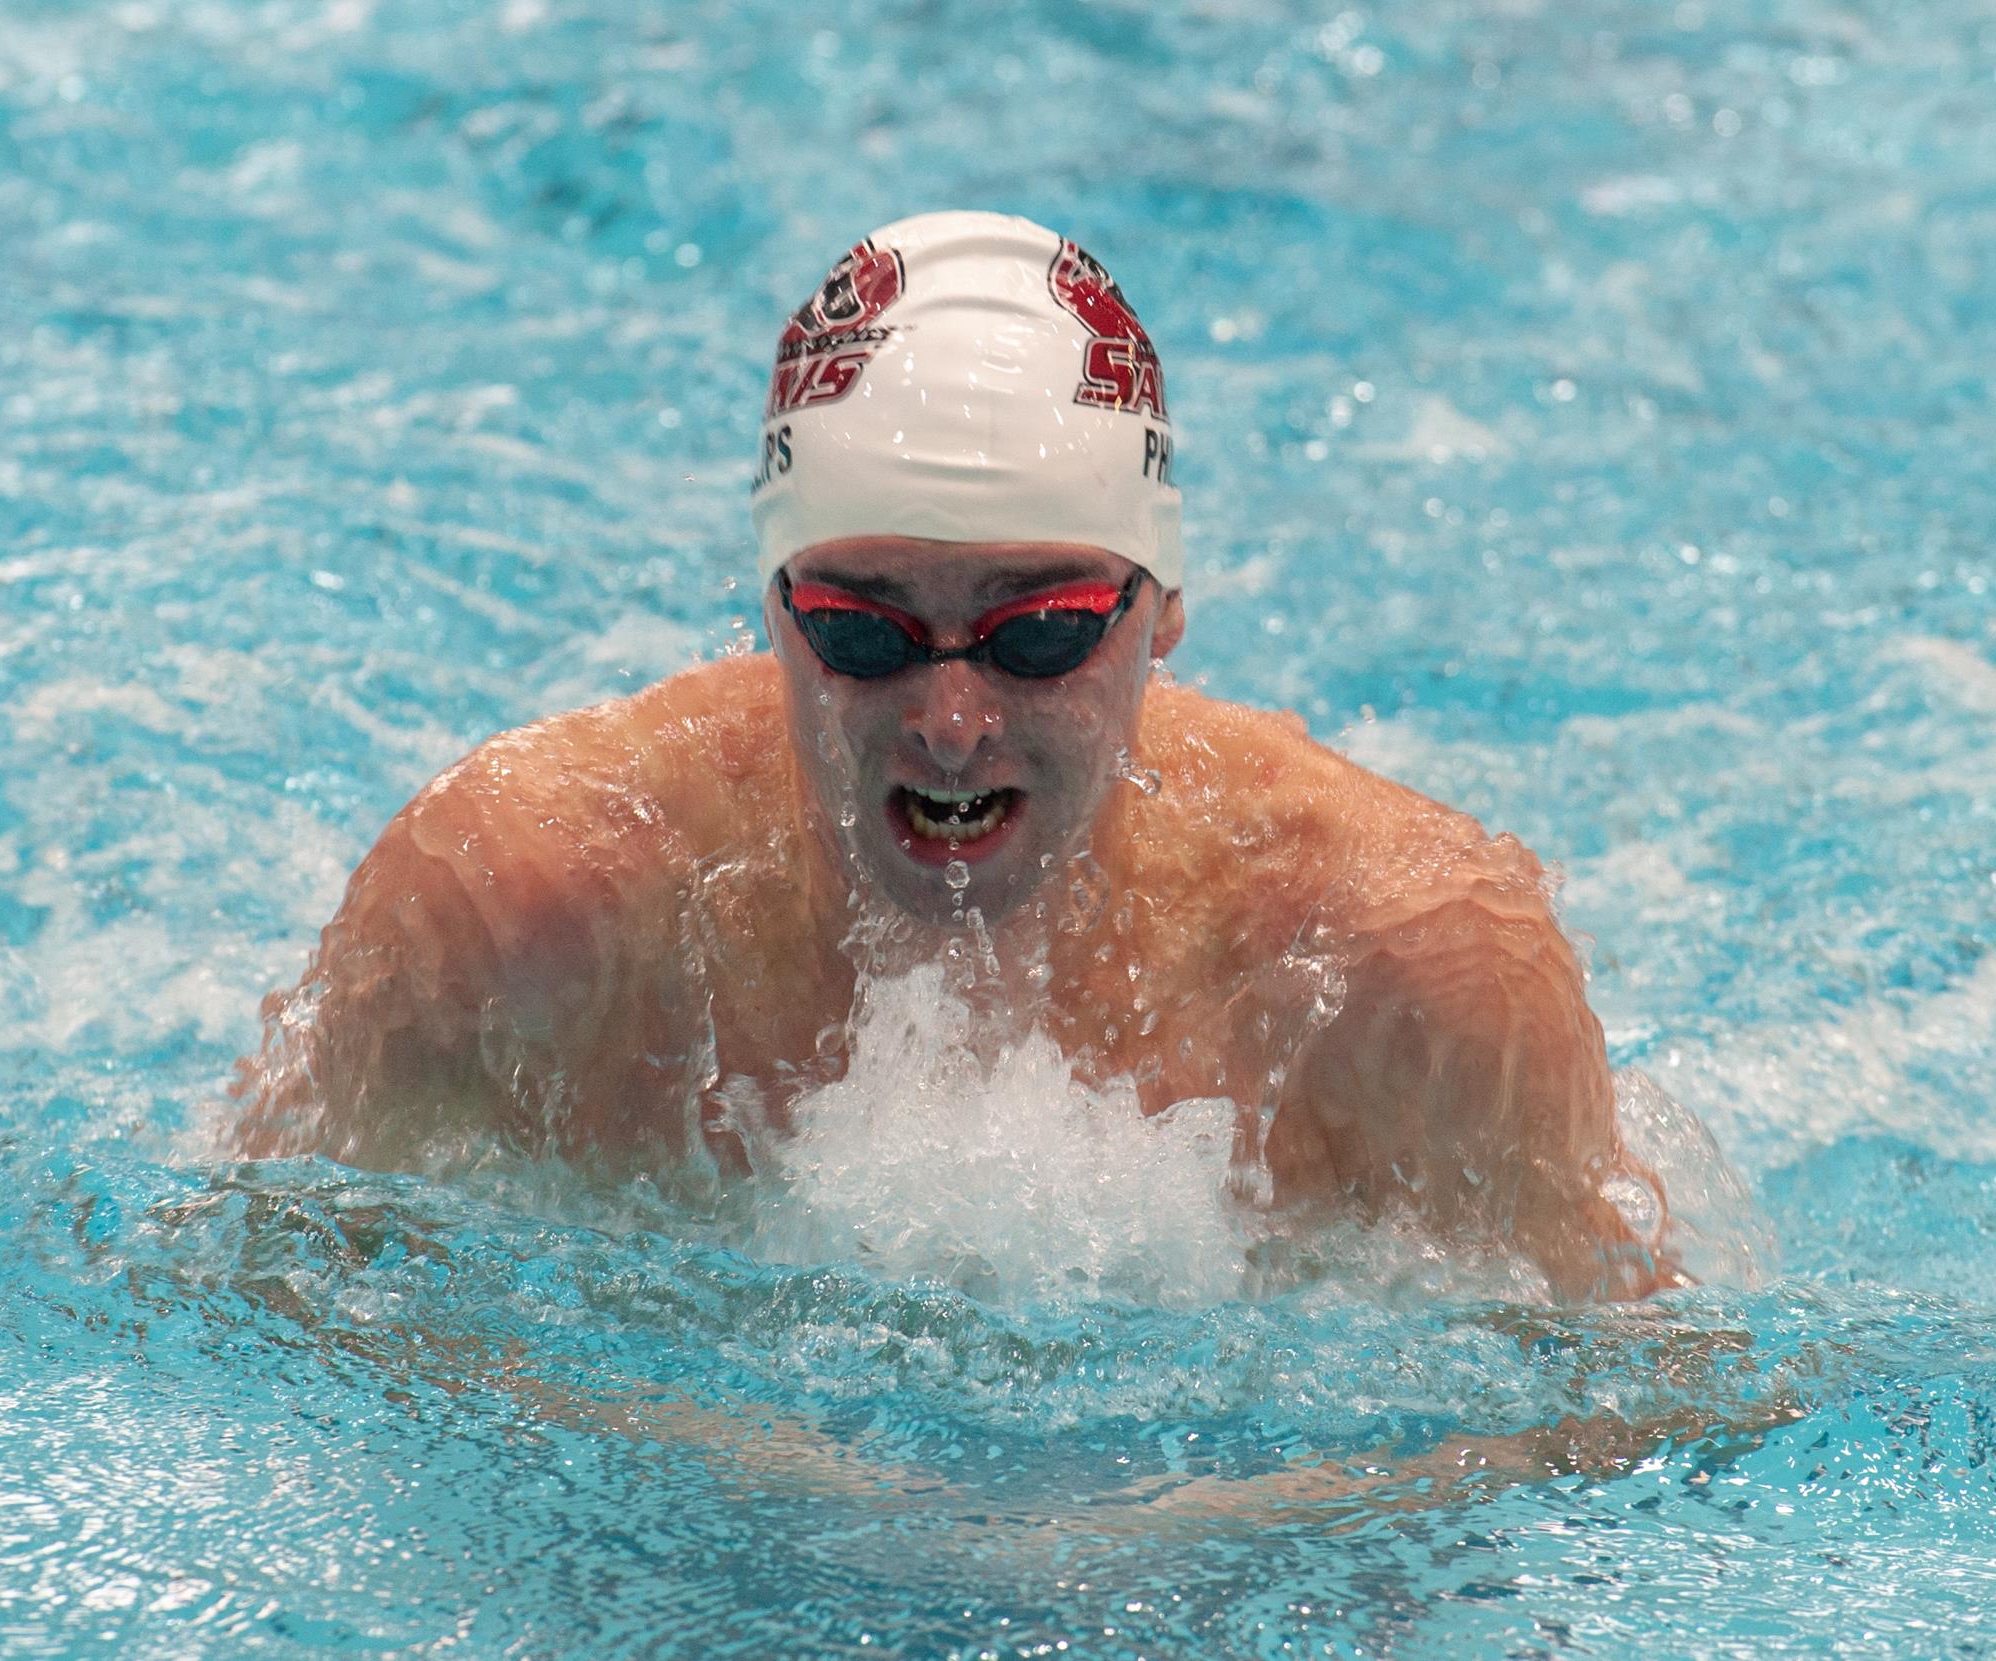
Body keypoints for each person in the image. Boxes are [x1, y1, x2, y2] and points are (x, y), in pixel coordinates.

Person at [231, 211, 1676, 1300]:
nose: (950, 718)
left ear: (1162, 612)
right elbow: (268, 1293)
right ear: (776, 609)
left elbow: (1619, 1419)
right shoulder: (511, 910)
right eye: (864, 631)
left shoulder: (1410, 966)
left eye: (1038, 633)